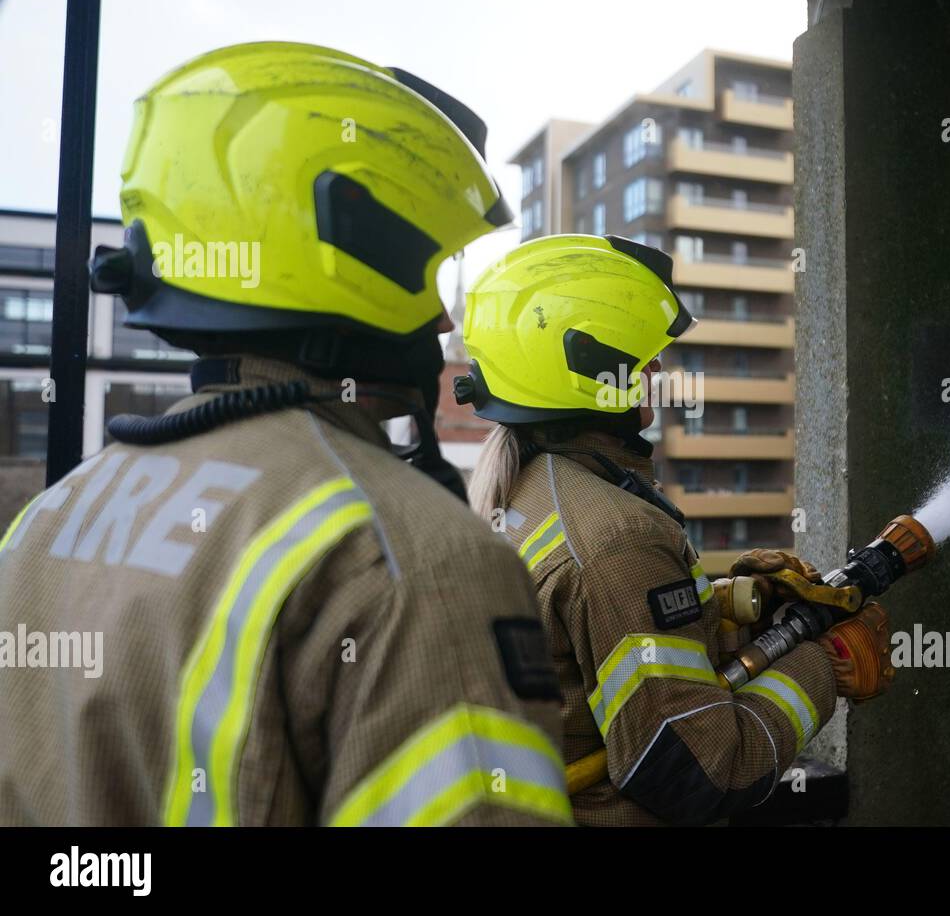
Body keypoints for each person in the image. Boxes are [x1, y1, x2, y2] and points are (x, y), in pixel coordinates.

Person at [0, 42, 570, 827]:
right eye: (430, 273)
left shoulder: (44, 523)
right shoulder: (406, 557)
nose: (443, 320)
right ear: (355, 249)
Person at [456, 234, 875, 825]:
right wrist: (824, 666)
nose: (655, 369)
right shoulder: (618, 539)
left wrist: (726, 611)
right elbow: (703, 771)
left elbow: (602, 668)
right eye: (639, 354)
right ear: (587, 367)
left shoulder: (524, 493)